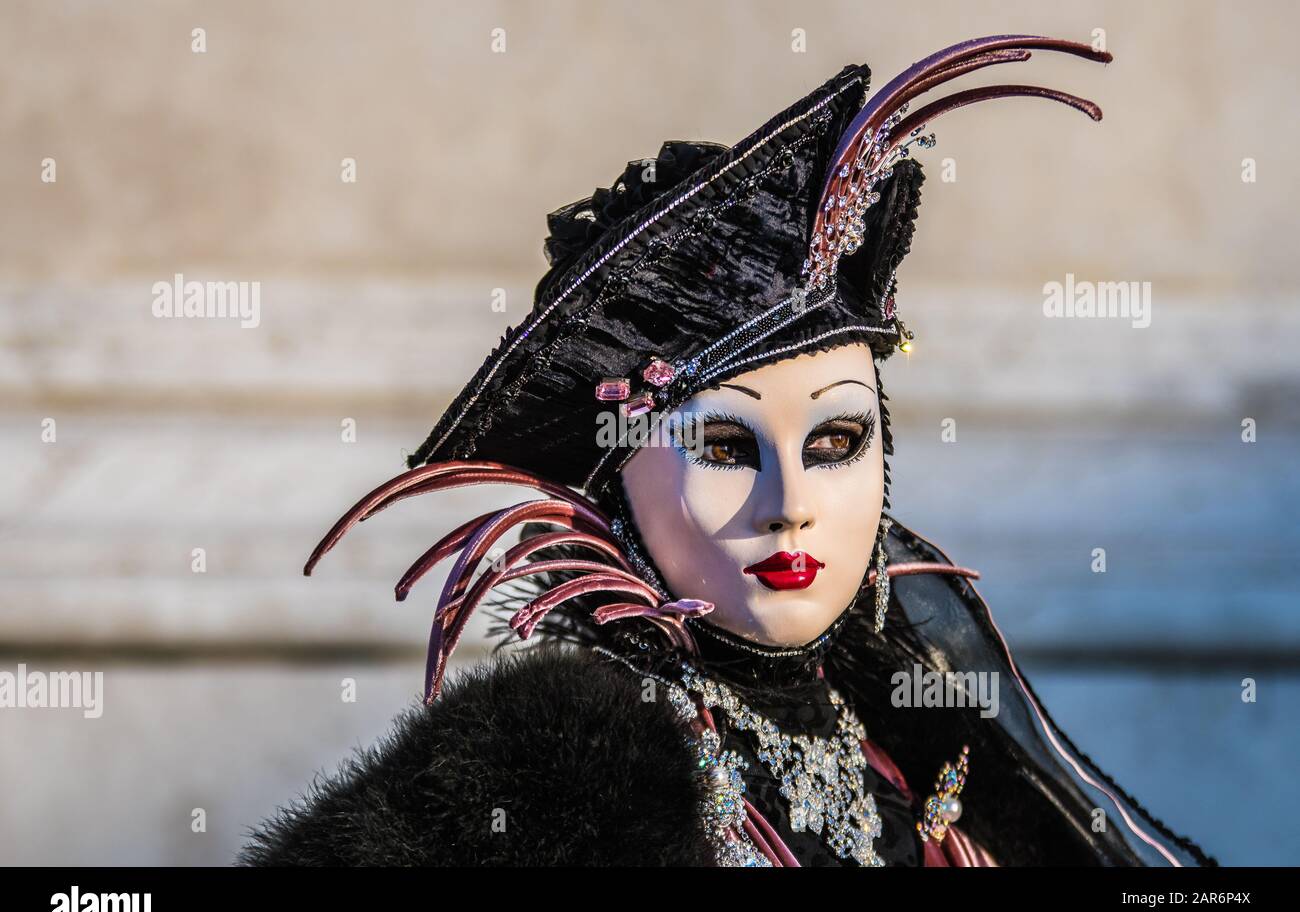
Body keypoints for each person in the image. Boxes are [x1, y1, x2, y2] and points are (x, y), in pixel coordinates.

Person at [240, 35, 1214, 867]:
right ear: (614, 467)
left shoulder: (912, 714)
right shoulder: (557, 766)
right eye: (721, 444)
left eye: (834, 439)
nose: (788, 501)